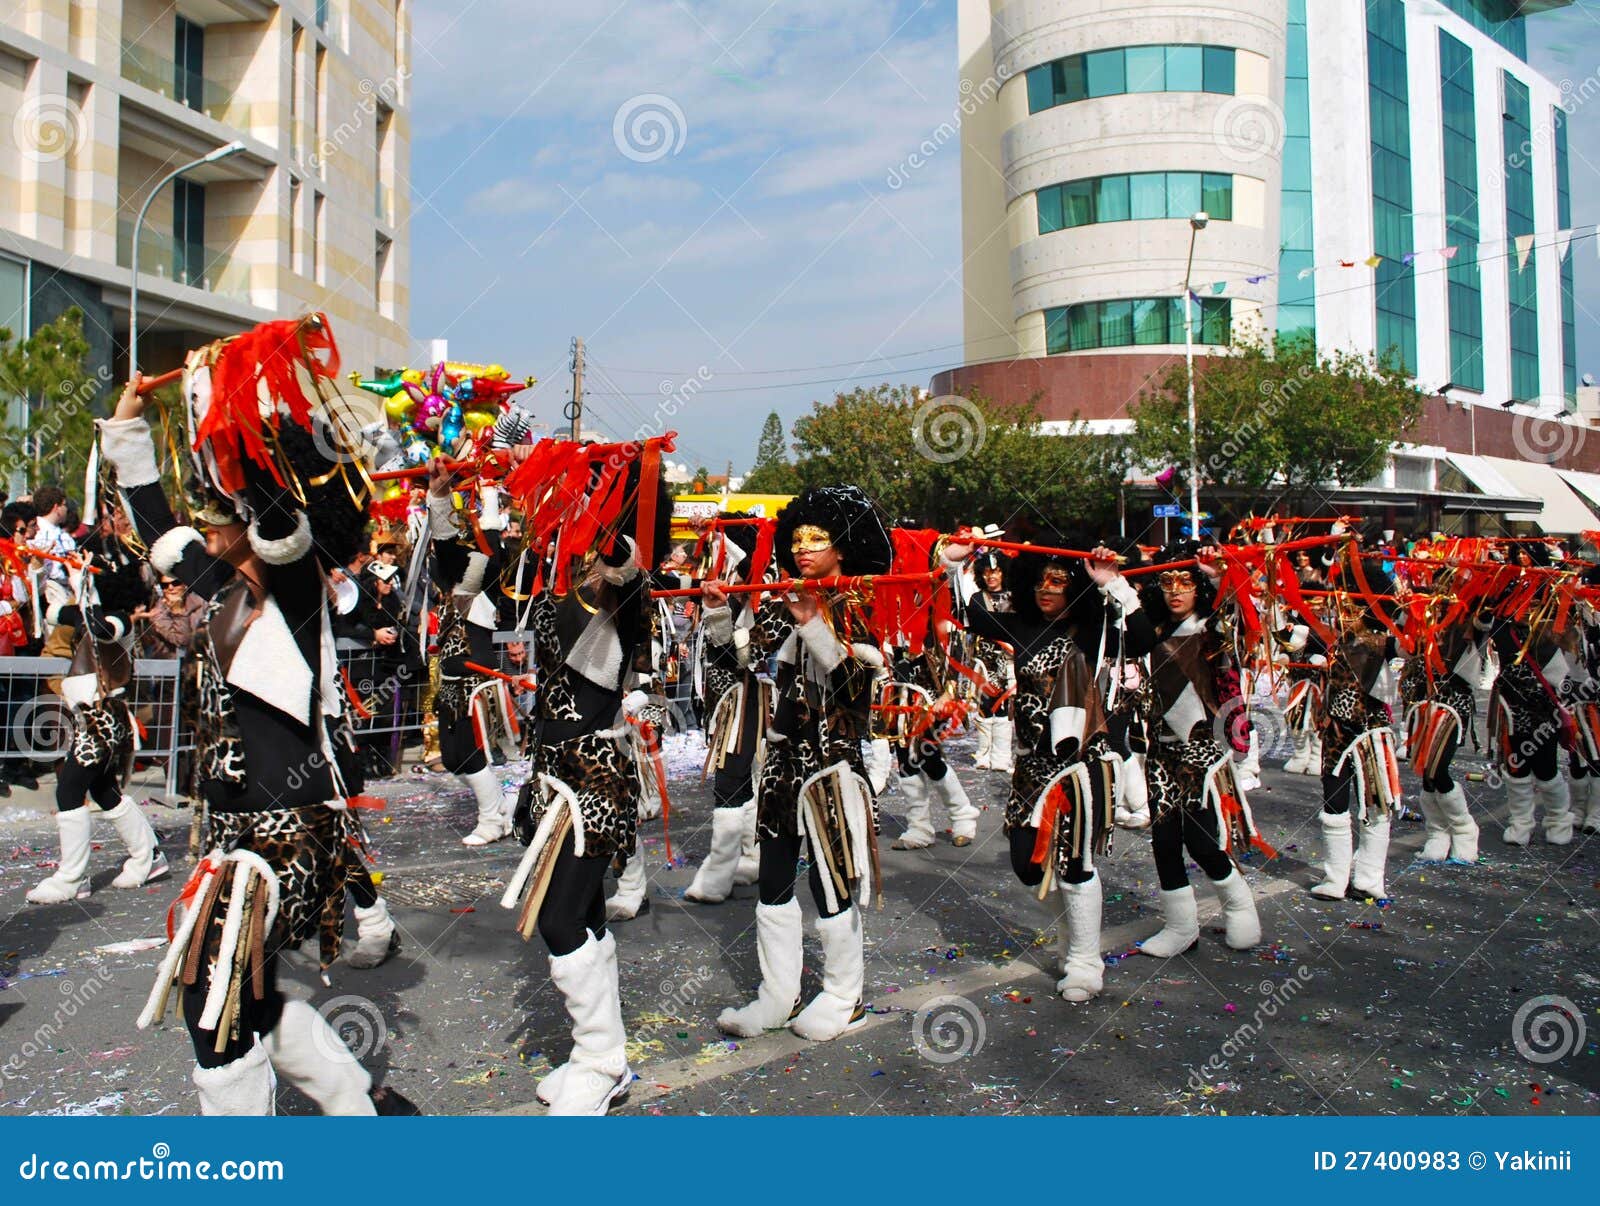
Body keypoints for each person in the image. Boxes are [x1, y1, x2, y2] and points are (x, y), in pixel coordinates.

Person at [101, 322, 413, 1117]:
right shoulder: (222, 589)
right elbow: (154, 522)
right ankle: (357, 1112)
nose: (206, 532)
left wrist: (248, 403)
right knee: (250, 999)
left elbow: (278, 518)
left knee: (214, 1013)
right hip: (233, 841)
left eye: (223, 515)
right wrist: (133, 421)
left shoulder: (296, 585)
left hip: (287, 845)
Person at [502, 456, 670, 1115]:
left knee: (559, 915)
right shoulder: (556, 589)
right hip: (551, 776)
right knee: (587, 913)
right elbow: (486, 574)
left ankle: (599, 1059)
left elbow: (625, 565)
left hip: (595, 780)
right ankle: (600, 1056)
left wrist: (617, 526)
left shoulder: (623, 594)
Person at [716, 486, 890, 1042]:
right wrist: (723, 608)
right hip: (784, 762)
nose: (804, 549)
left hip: (832, 766)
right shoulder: (779, 598)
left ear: (842, 547)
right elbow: (741, 659)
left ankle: (845, 995)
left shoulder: (859, 601)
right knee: (772, 877)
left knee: (829, 878)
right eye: (796, 540)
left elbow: (854, 690)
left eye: (818, 539)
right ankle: (778, 995)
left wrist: (814, 622)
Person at [1125, 545, 1265, 956]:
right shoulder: (1150, 630)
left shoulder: (1212, 628)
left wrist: (1221, 577)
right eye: (1167, 582)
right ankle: (1180, 927)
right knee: (1164, 841)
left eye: (1186, 583)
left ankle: (1240, 906)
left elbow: (1243, 620)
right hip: (1161, 752)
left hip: (1203, 753)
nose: (1175, 592)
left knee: (1203, 842)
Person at [24, 506, 168, 904]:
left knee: (68, 791)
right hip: (90, 718)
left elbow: (96, 627)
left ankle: (72, 878)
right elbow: (52, 612)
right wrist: (44, 572)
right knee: (104, 790)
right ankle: (149, 856)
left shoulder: (118, 619)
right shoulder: (86, 607)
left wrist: (81, 582)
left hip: (104, 719)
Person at [685, 514, 779, 903]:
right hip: (725, 701)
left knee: (733, 779)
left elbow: (749, 653)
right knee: (741, 780)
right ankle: (749, 857)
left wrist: (721, 613)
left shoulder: (771, 591)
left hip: (753, 699)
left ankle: (719, 873)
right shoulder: (735, 583)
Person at [138, 574, 207, 658]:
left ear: (184, 584)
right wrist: (178, 612)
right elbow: (182, 641)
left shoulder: (200, 603)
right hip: (170, 663)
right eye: (165, 585)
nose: (170, 588)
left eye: (175, 583)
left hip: (201, 657)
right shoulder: (157, 613)